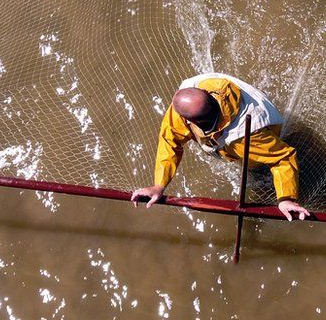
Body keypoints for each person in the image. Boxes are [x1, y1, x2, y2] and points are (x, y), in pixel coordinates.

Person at [131, 73, 309, 221]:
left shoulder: (247, 137)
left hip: (262, 128)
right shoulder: (191, 96)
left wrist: (286, 198)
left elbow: (283, 157)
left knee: (255, 167)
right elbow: (169, 141)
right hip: (237, 121)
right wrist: (158, 185)